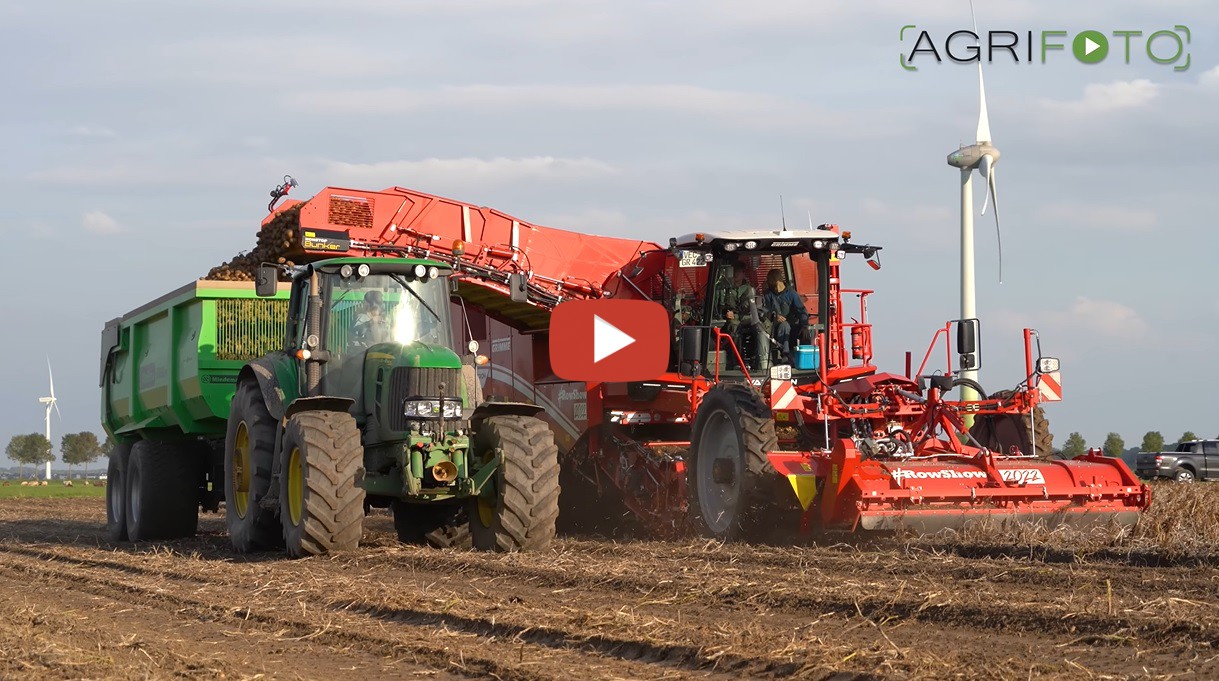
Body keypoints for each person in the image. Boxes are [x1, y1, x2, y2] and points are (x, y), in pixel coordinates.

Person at [763, 268, 808, 363]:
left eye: (770, 279)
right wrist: (775, 316)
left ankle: (805, 360)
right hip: (772, 326)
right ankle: (785, 355)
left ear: (776, 280)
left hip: (792, 325)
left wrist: (805, 326)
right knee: (784, 326)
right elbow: (764, 311)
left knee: (807, 332)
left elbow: (802, 311)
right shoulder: (767, 295)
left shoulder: (792, 294)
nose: (768, 282)